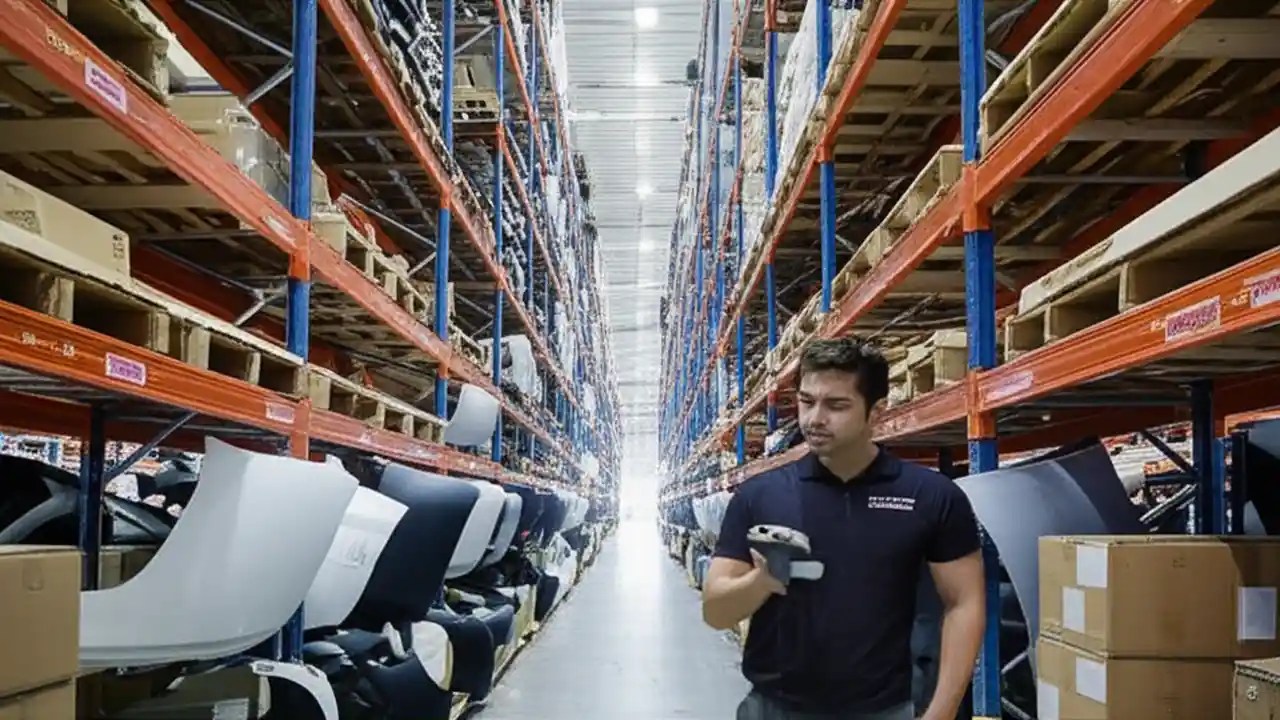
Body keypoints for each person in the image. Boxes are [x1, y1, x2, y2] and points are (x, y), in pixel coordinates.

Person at [701, 337, 985, 720]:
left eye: (836, 405)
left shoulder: (930, 497)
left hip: (884, 709)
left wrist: (942, 712)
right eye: (806, 401)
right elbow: (716, 612)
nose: (814, 419)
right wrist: (763, 582)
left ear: (876, 413)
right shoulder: (759, 496)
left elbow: (964, 604)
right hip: (773, 709)